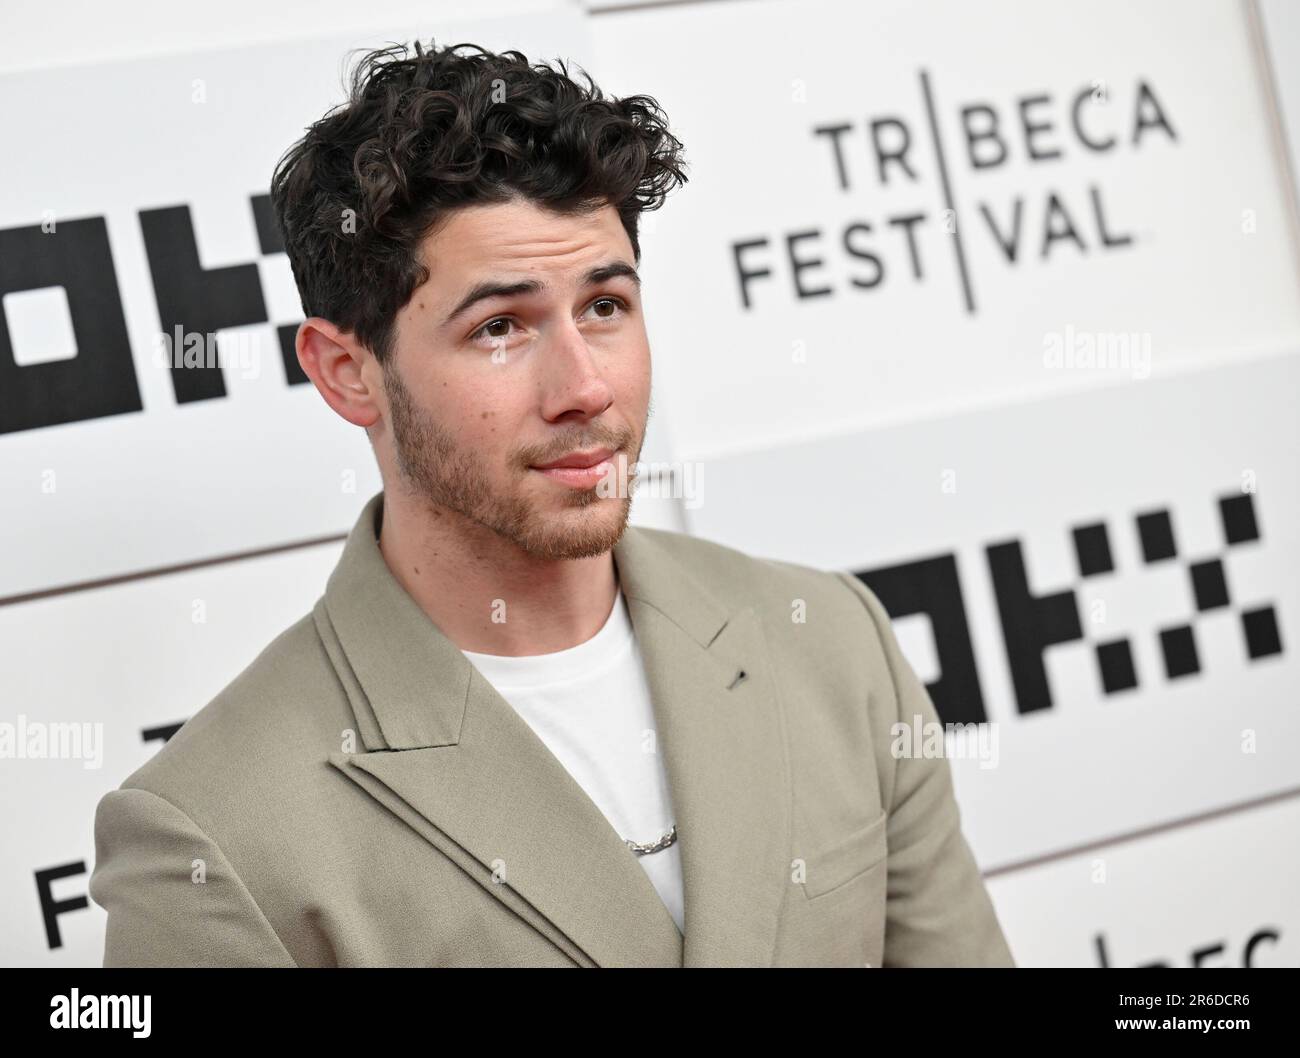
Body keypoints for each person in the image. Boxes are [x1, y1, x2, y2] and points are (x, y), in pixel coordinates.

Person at [89, 38, 1014, 967]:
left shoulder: (829, 644)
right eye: (500, 327)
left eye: (605, 306)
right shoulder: (210, 839)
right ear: (347, 373)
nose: (584, 388)